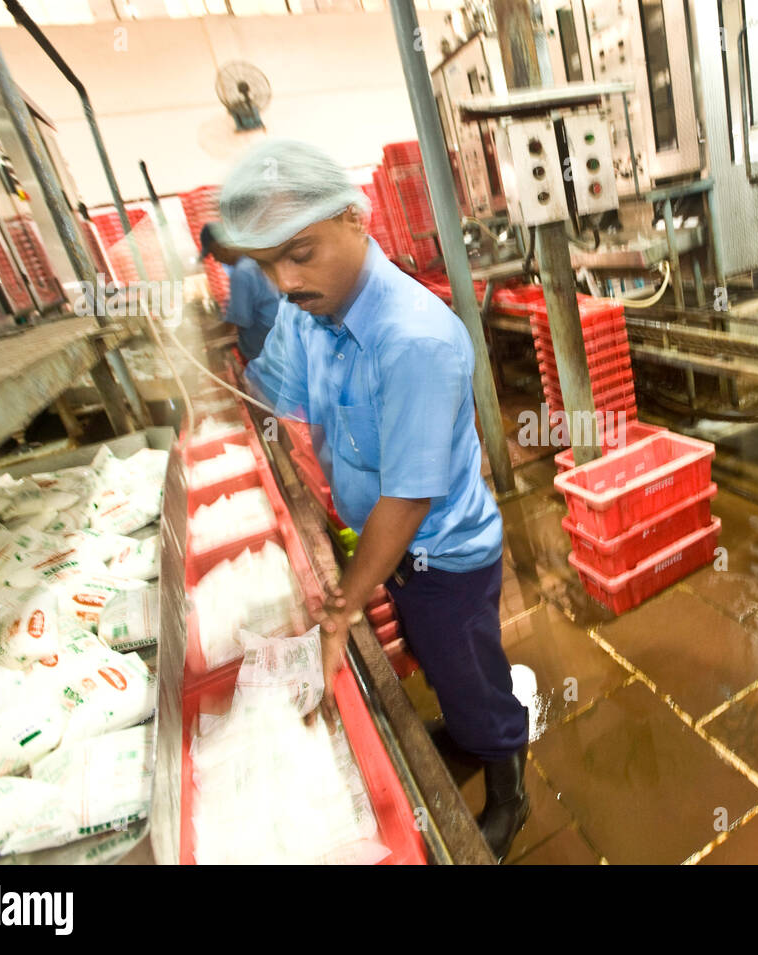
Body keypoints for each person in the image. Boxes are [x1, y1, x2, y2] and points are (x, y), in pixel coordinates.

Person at [218, 139, 530, 861]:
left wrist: (340, 609)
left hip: (443, 555)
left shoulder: (412, 339)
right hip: (393, 552)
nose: (285, 279)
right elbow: (272, 392)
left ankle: (510, 775)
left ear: (356, 219)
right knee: (439, 658)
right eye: (267, 264)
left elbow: (408, 500)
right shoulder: (309, 312)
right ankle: (471, 722)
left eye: (301, 252)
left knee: (467, 662)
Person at [200, 221, 282, 362]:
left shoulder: (242, 272)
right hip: (279, 344)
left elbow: (236, 321)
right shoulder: (254, 260)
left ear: (221, 246)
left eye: (214, 253)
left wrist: (201, 336)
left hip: (266, 354)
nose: (216, 259)